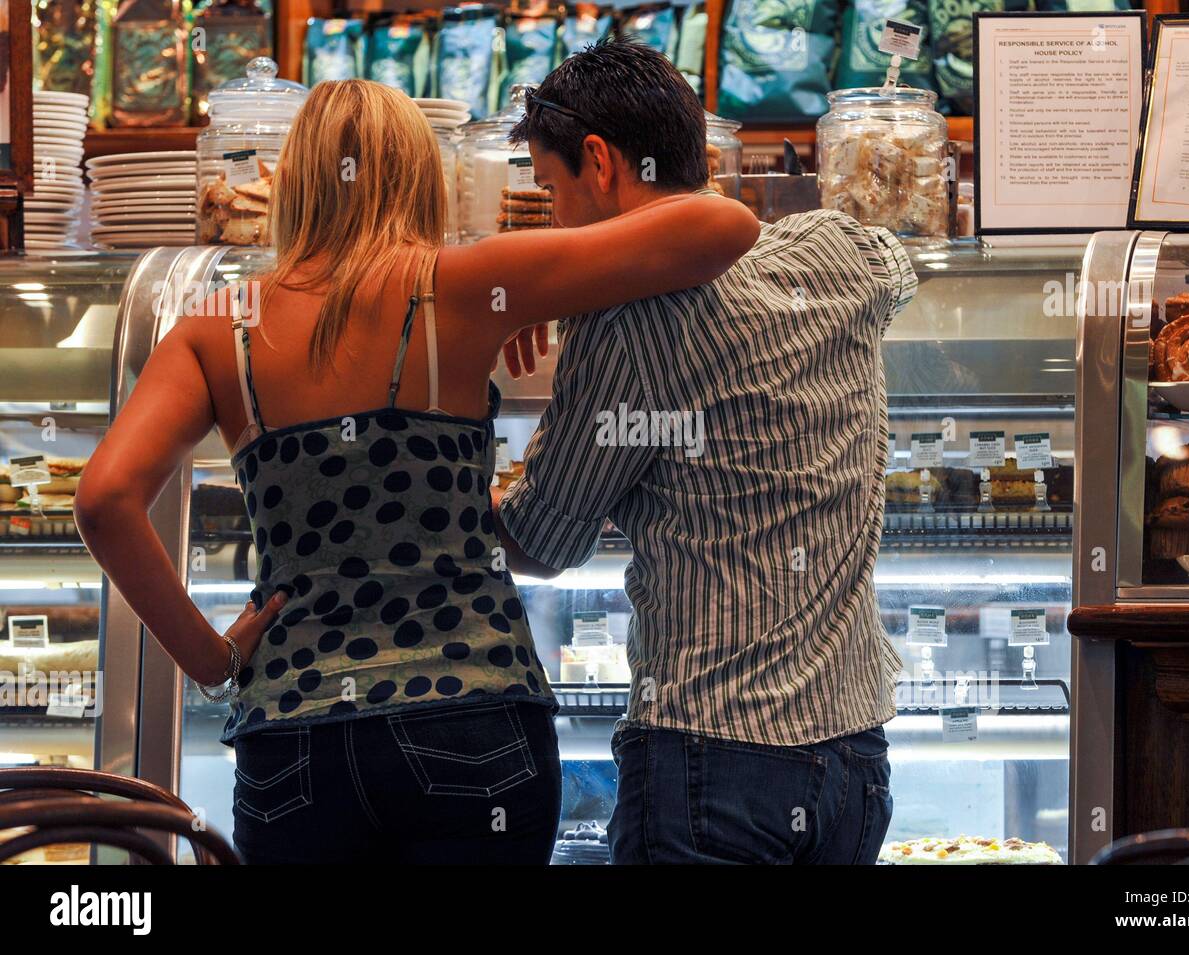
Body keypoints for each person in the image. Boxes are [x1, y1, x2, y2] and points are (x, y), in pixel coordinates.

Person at [75, 77, 759, 864]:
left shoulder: (217, 328)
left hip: (297, 739)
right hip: (472, 720)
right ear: (421, 176)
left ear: (293, 182)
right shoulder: (462, 286)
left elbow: (104, 500)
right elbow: (722, 224)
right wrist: (521, 301)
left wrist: (209, 657)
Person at [494, 38, 919, 865]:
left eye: (550, 194)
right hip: (854, 764)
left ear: (600, 161)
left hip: (709, 762)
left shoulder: (627, 322)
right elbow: (898, 265)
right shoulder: (839, 251)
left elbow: (542, 541)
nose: (551, 225)